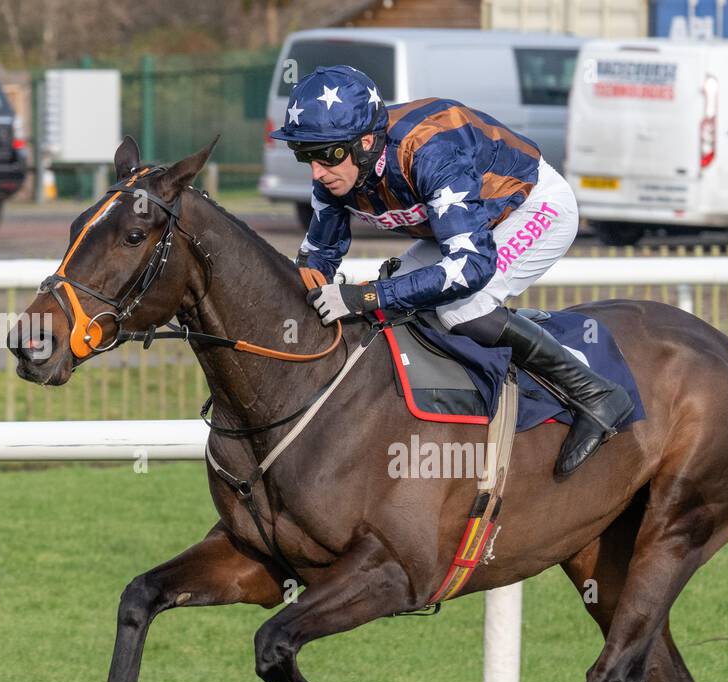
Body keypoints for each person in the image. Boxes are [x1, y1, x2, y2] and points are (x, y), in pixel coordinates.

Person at [270, 64, 633, 478]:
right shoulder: (334, 172)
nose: (317, 172)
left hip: (532, 205)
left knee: (464, 308)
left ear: (366, 142)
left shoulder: (429, 149)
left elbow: (470, 267)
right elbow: (319, 257)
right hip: (465, 227)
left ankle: (596, 393)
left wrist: (366, 295)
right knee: (396, 298)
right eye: (305, 156)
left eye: (328, 155)